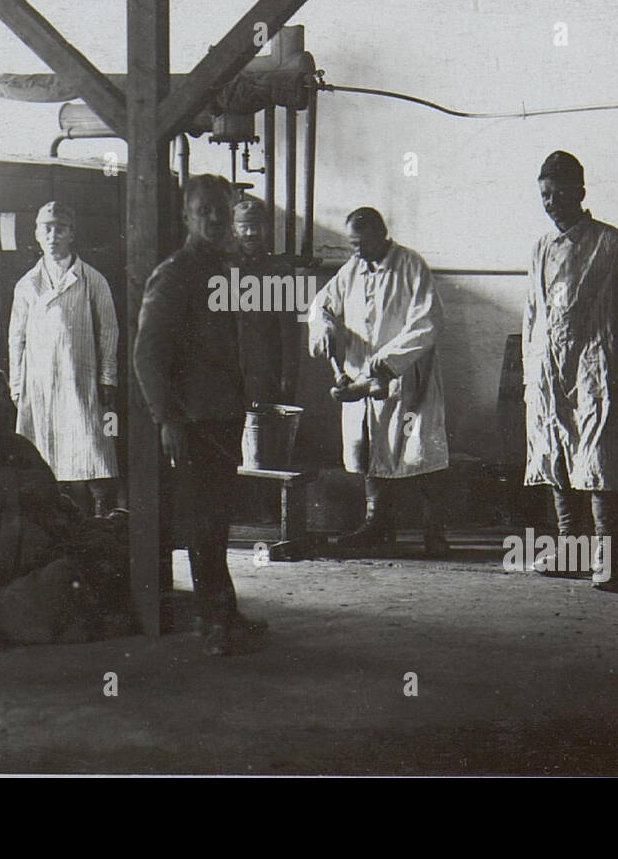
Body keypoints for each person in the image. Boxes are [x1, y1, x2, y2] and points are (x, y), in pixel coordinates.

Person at [523, 150, 618, 590]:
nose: (550, 204)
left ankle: (607, 561)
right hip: (550, 371)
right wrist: (531, 375)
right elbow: (533, 315)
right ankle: (572, 553)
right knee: (558, 455)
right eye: (544, 196)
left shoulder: (609, 242)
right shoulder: (540, 248)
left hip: (595, 368)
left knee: (600, 461)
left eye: (558, 194)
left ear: (580, 193)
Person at [134, 174, 267, 657]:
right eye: (203, 209)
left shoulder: (228, 271)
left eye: (221, 209)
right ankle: (213, 624)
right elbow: (147, 355)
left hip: (225, 414)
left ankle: (224, 613)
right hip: (192, 420)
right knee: (202, 521)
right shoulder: (174, 273)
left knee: (218, 518)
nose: (214, 217)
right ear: (187, 216)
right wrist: (167, 418)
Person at [308, 207, 451, 557]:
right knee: (372, 449)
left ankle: (435, 532)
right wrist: (324, 327)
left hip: (407, 376)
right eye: (350, 244)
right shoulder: (352, 270)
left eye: (360, 244)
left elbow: (427, 323)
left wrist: (383, 365)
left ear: (380, 235)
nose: (354, 251)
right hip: (363, 379)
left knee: (420, 452)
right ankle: (377, 526)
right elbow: (321, 305)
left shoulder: (410, 265)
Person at [8, 201, 120, 518]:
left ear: (72, 234)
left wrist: (107, 378)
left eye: (61, 228)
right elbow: (17, 338)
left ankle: (101, 515)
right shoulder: (28, 285)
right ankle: (60, 520)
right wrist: (17, 385)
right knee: (47, 452)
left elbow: (109, 331)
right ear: (37, 235)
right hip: (40, 384)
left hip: (80, 378)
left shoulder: (92, 280)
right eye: (47, 228)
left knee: (93, 448)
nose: (53, 235)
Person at [232, 194, 300, 406]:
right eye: (245, 227)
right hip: (224, 374)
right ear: (234, 229)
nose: (251, 233)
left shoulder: (279, 272)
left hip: (265, 376)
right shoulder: (221, 268)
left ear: (266, 229)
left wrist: (288, 378)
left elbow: (290, 332)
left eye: (257, 226)